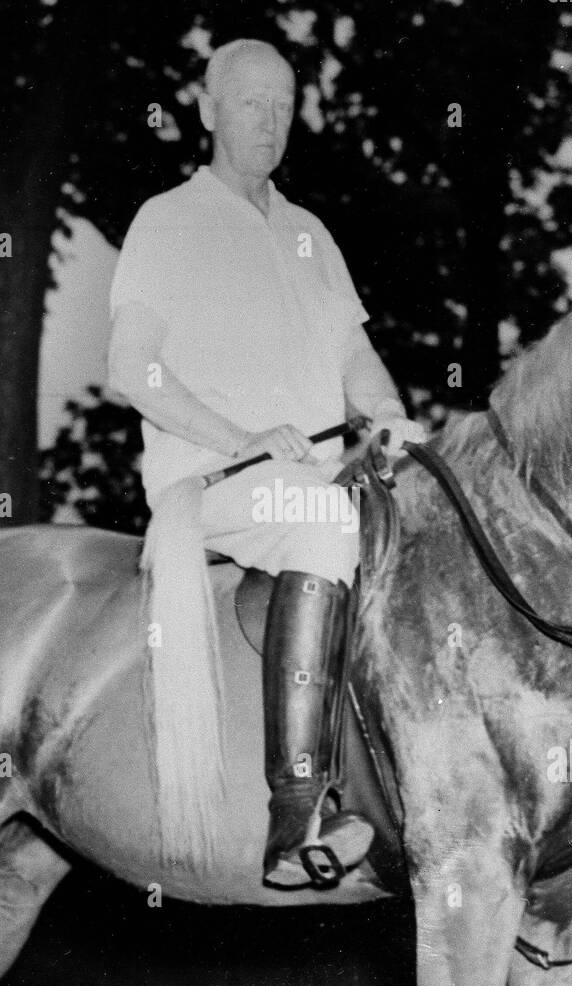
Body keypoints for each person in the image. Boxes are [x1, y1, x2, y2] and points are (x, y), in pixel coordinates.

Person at [107, 38, 426, 889]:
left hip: (312, 478)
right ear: (207, 110)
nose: (270, 120)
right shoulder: (166, 221)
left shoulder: (308, 232)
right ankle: (299, 818)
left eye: (284, 104)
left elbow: (355, 357)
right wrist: (235, 437)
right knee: (328, 533)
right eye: (250, 102)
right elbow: (128, 367)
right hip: (209, 482)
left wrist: (394, 422)